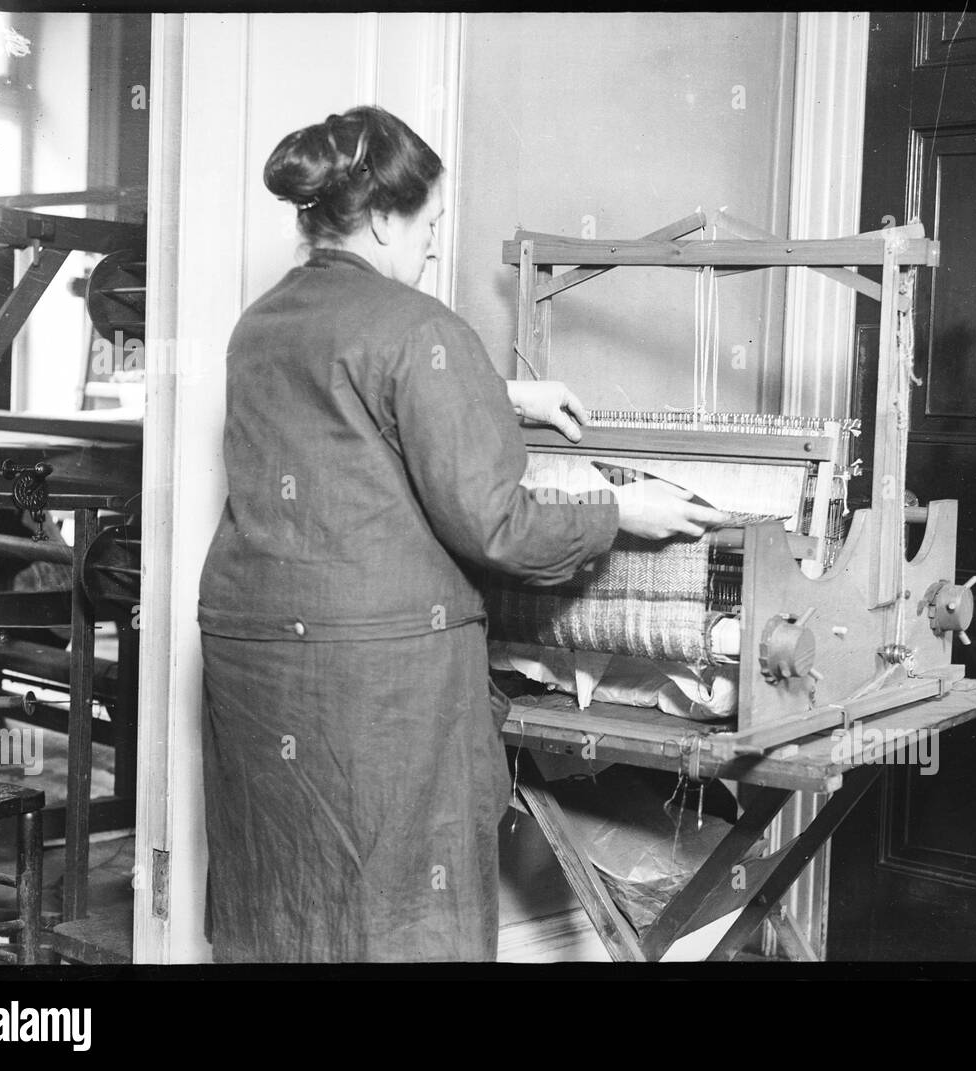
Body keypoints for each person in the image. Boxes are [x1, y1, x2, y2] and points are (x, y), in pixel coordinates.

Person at [197, 105, 726, 962]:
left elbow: (350, 411)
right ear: (379, 218)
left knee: (285, 896)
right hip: (373, 688)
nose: (437, 242)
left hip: (258, 664)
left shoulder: (259, 324)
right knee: (402, 912)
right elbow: (500, 527)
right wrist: (621, 511)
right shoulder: (418, 327)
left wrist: (504, 396)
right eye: (432, 222)